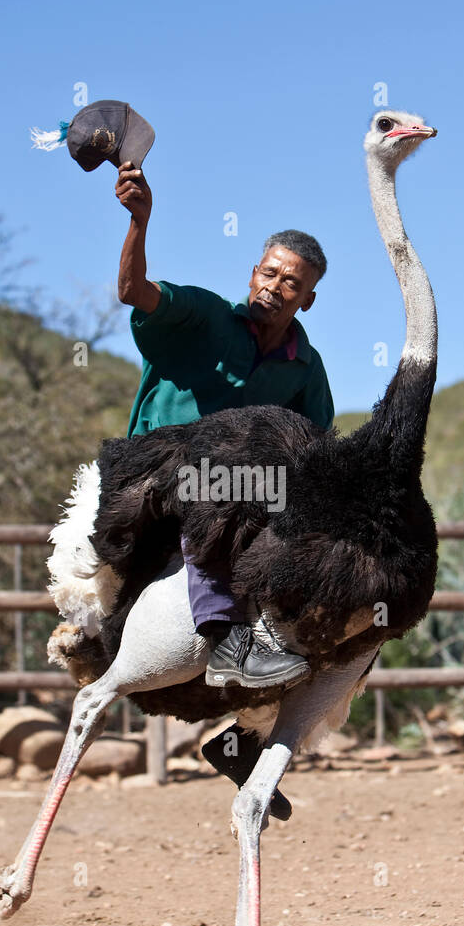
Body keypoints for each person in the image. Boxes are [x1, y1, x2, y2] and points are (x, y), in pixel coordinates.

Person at [115, 159, 335, 689]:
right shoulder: (204, 316)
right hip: (153, 468)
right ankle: (227, 645)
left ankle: (290, 664)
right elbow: (132, 290)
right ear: (253, 272)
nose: (275, 286)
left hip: (238, 483)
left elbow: (316, 448)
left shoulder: (305, 366)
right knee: (217, 484)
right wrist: (139, 221)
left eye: (291, 282)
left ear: (307, 298)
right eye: (269, 272)